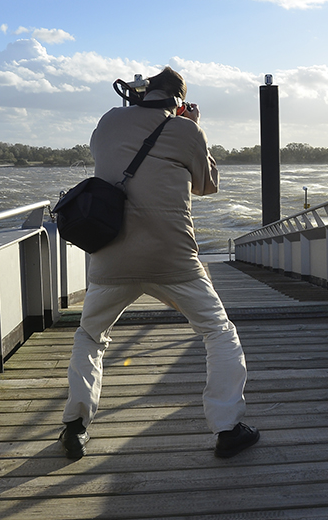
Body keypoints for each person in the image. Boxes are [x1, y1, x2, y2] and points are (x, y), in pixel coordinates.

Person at [59, 66, 259, 460]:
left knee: (89, 337)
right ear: (180, 100)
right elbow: (207, 185)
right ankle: (228, 427)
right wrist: (194, 127)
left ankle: (75, 425)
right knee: (219, 333)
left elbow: (108, 154)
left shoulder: (108, 121)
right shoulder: (187, 130)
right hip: (174, 259)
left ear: (143, 92)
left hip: (110, 256)